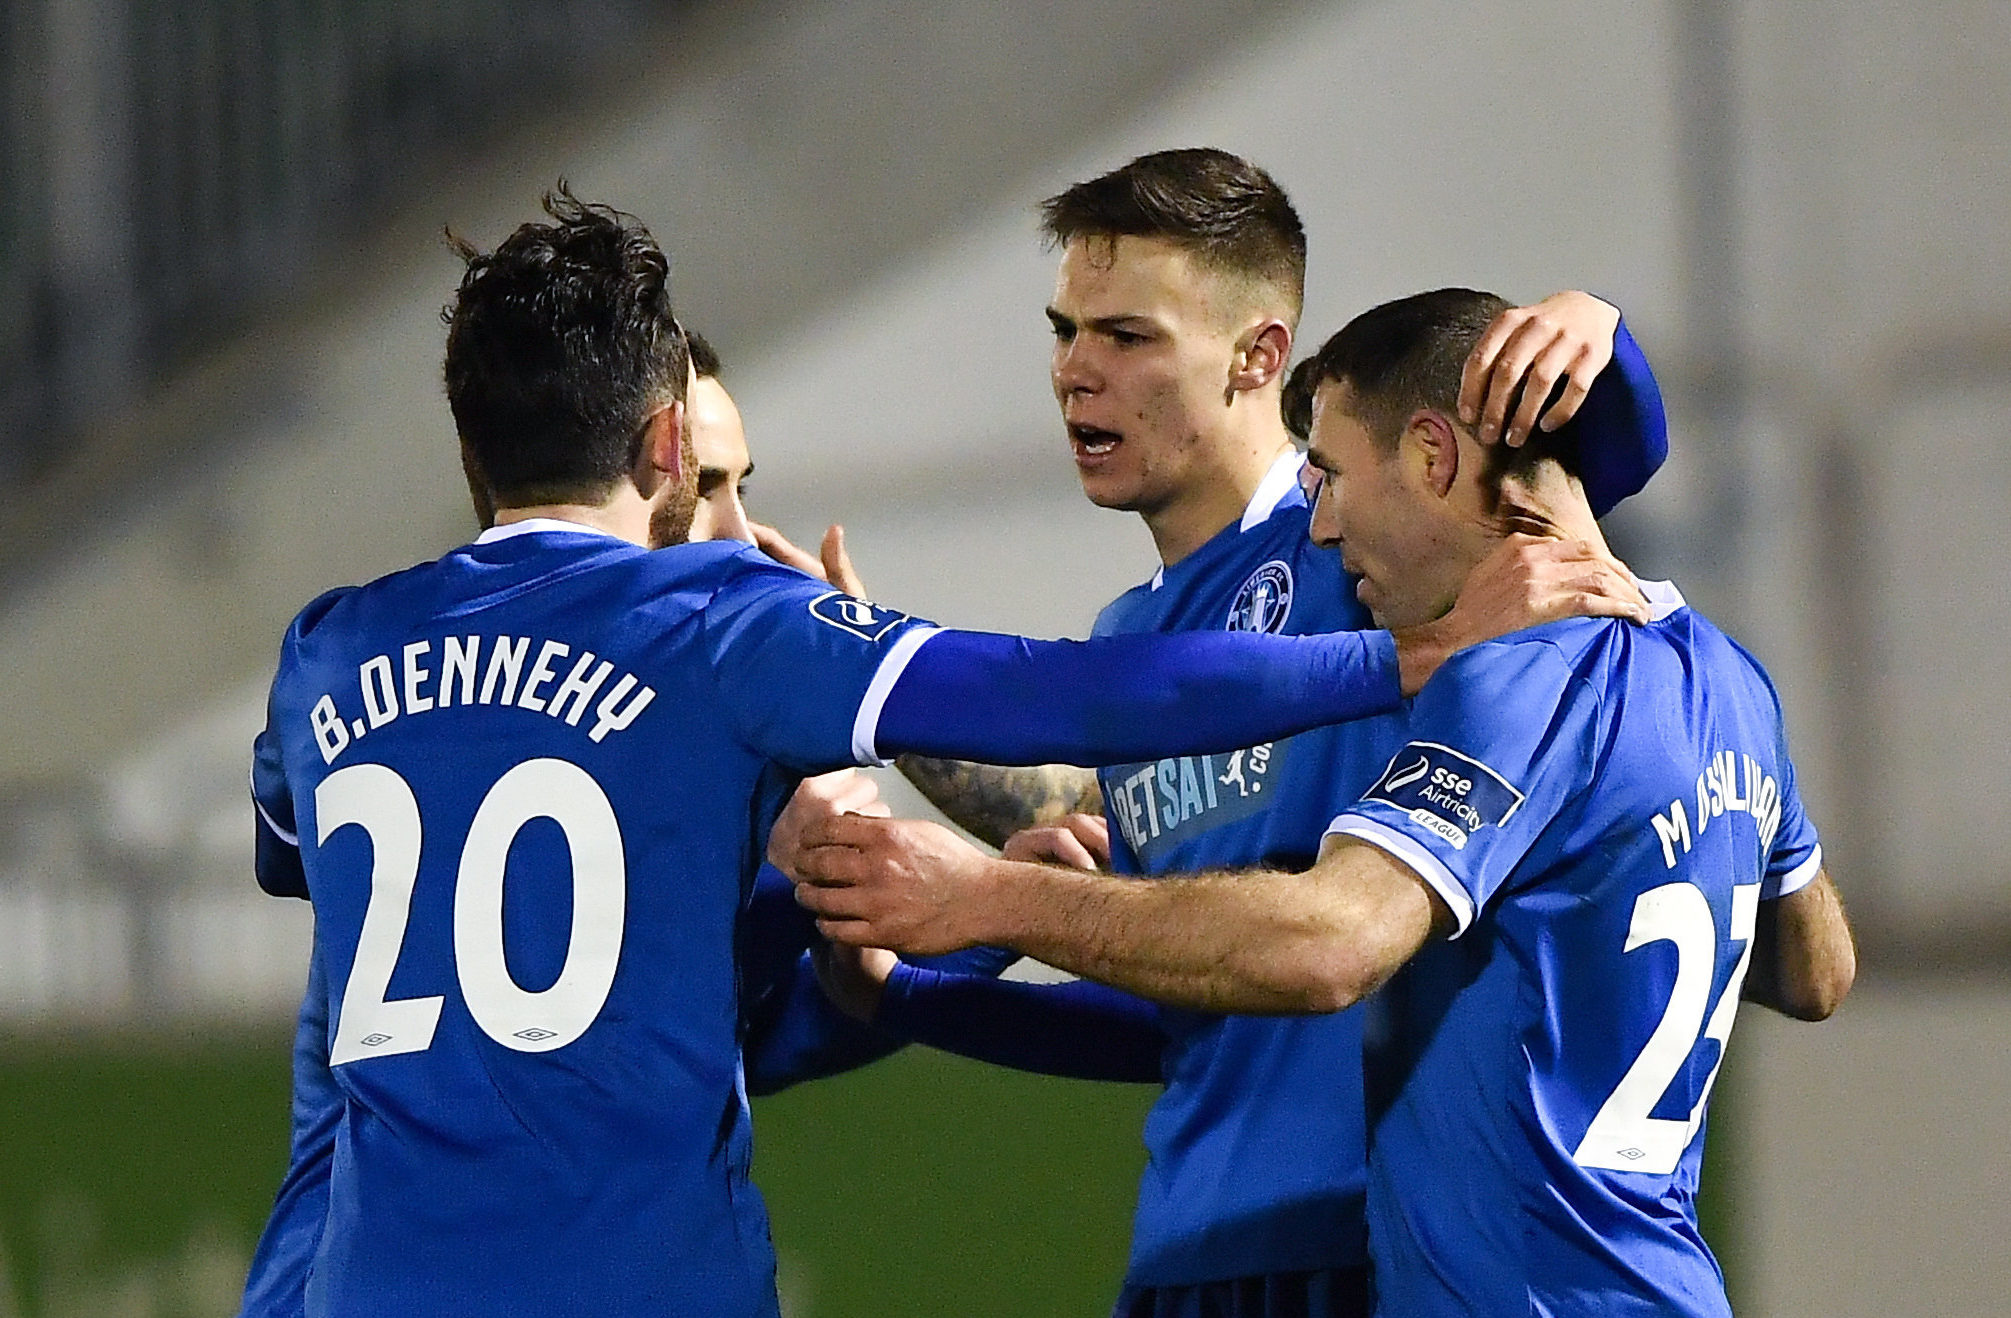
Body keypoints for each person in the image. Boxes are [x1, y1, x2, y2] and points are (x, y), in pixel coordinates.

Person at [246, 190, 1641, 1317]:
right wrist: (1389, 661)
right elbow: (1057, 693)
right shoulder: (720, 624)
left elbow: (297, 853)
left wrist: (930, 933)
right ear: (665, 442)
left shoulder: (325, 650)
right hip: (642, 1276)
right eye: (1065, 329)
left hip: (370, 1280)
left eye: (1122, 332)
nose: (1072, 367)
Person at [790, 286, 1857, 1318]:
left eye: (1338, 477)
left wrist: (994, 900)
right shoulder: (1728, 681)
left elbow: (1330, 944)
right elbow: (1816, 969)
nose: (1330, 526)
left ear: (1433, 456)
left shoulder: (1513, 678)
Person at [233, 330, 987, 1318]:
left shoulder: (634, 755)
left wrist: (977, 907)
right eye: (705, 484)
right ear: (638, 467)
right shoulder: (530, 766)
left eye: (746, 490)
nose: (739, 534)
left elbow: (760, 1039)